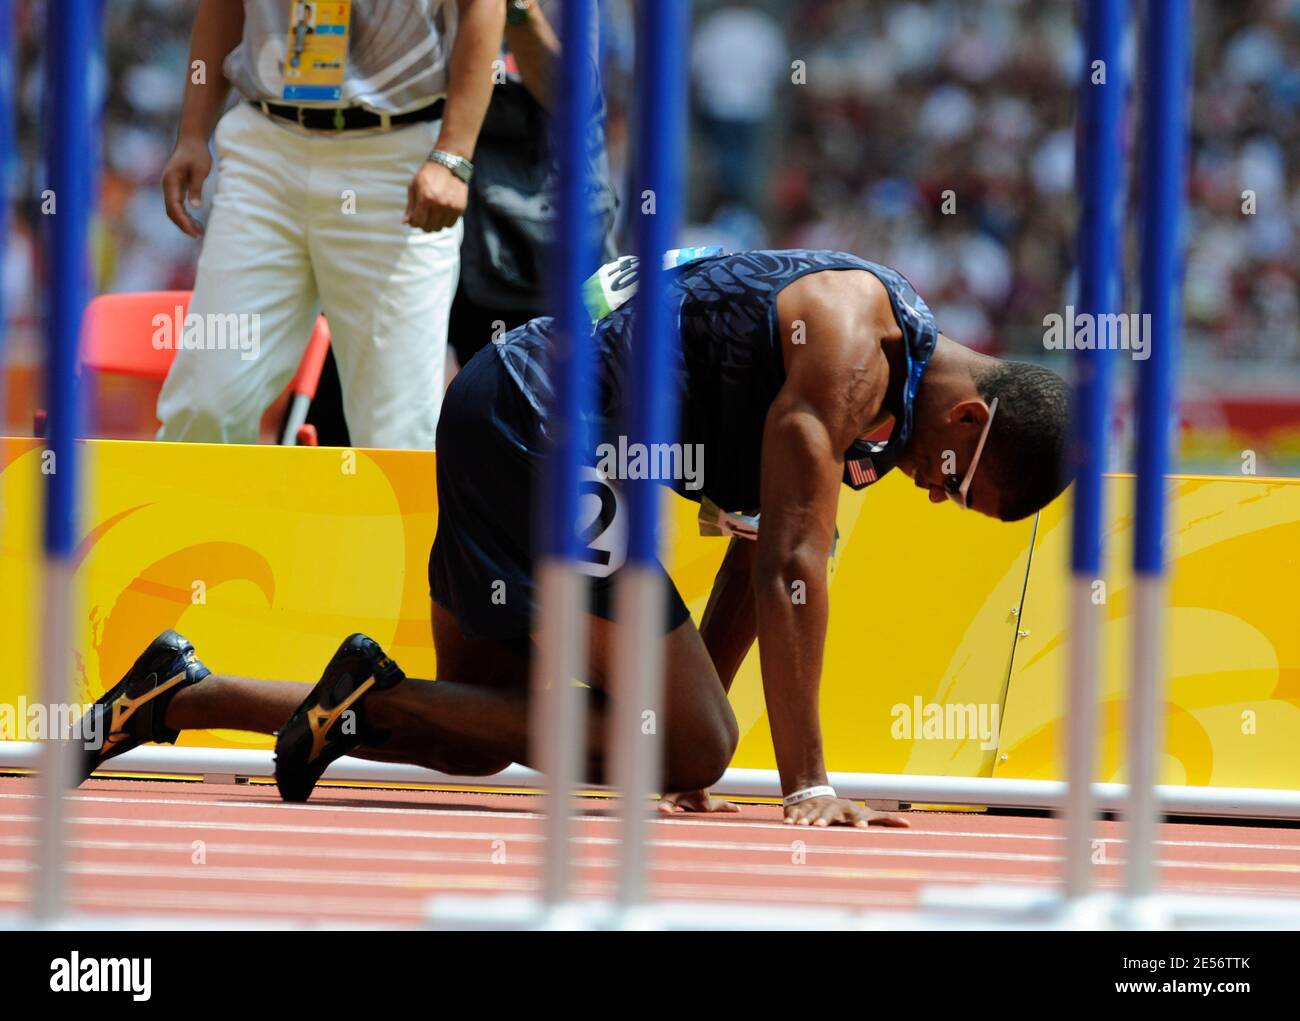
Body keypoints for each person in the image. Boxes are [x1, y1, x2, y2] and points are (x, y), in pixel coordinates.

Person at [79, 249, 1071, 828]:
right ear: (969, 429)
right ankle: (345, 699)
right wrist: (801, 778)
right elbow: (792, 565)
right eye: (957, 489)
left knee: (482, 724)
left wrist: (675, 760)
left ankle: (180, 695)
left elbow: (753, 547)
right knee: (694, 742)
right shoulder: (854, 345)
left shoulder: (877, 383)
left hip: (492, 410)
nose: (935, 499)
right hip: (550, 434)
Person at [155, 0, 504, 449]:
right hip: (266, 148)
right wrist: (191, 133)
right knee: (204, 404)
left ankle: (390, 523)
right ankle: (200, 521)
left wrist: (453, 156)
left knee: (397, 430)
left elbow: (485, 5)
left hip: (396, 158)